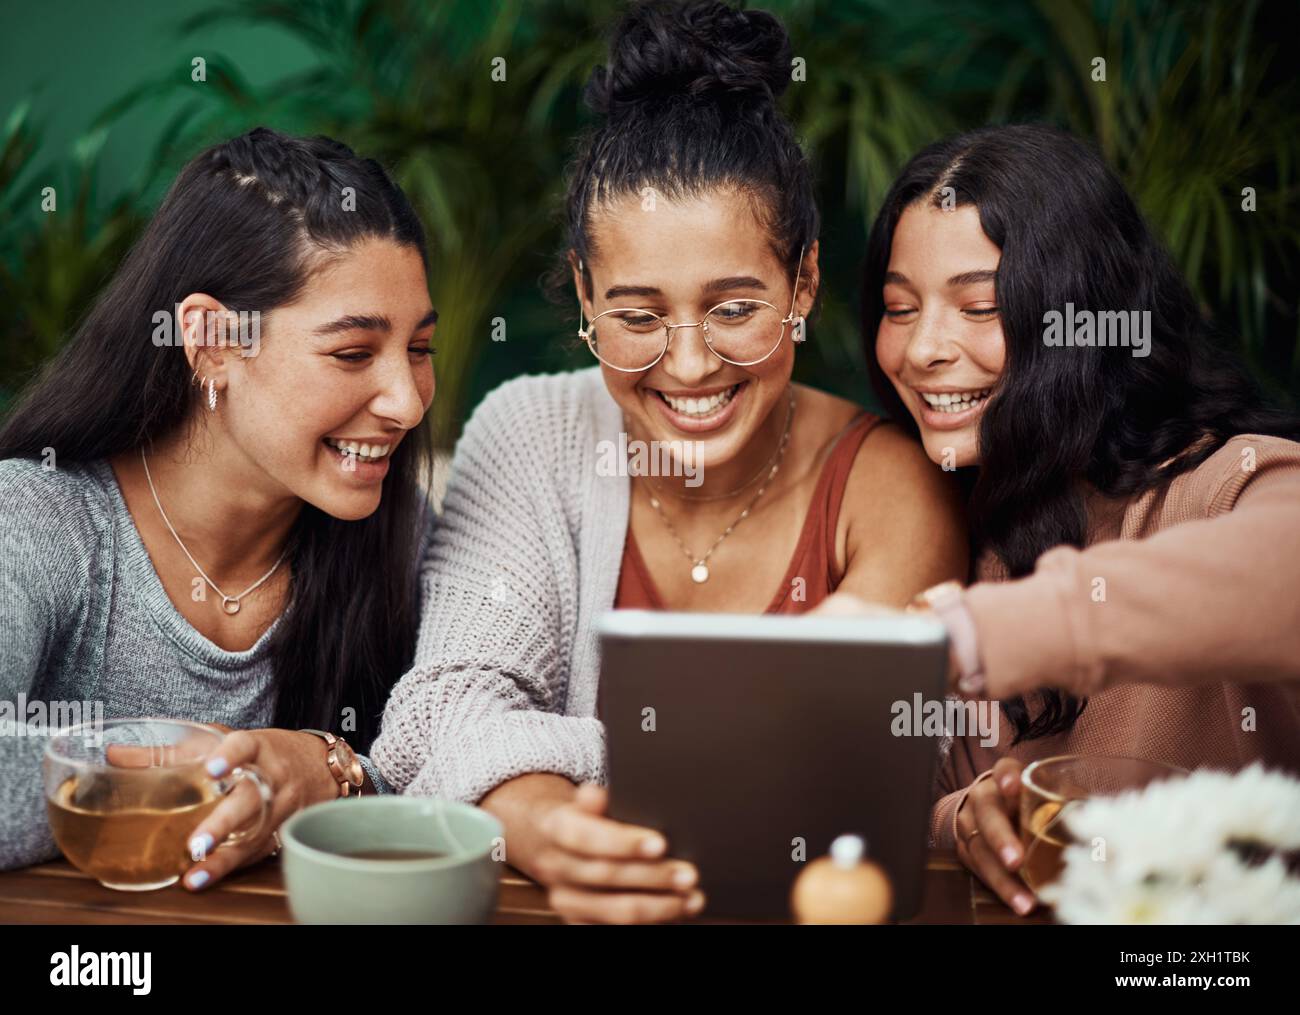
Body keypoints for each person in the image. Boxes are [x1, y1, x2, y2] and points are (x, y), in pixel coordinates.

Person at [370, 0, 967, 924]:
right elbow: (439, 710)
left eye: (734, 309)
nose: (688, 366)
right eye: (639, 317)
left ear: (803, 281)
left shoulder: (886, 488)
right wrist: (540, 824)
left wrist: (524, 767)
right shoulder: (529, 431)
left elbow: (826, 768)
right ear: (583, 291)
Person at [820, 123, 1300, 916]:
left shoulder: (1232, 482)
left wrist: (972, 635)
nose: (922, 349)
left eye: (978, 306)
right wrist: (961, 819)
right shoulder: (967, 530)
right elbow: (913, 796)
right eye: (899, 308)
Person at [0, 127, 437, 890]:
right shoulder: (37, 518)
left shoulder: (402, 530)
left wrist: (325, 767)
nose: (405, 401)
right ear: (209, 340)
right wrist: (223, 770)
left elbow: (467, 752)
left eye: (420, 348)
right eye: (353, 353)